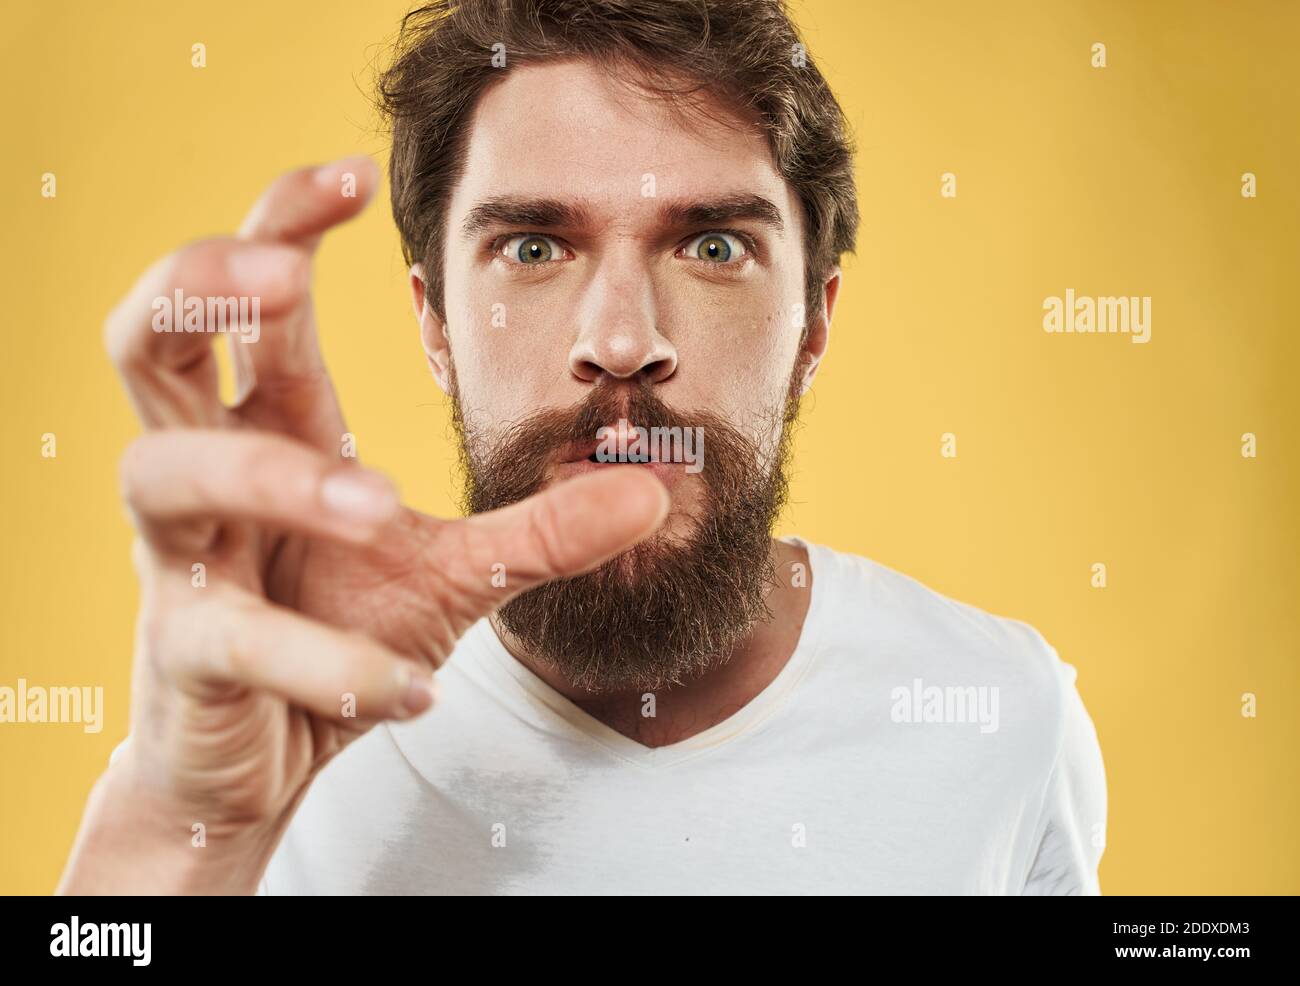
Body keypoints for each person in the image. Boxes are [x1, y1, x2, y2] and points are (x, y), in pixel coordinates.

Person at [58, 0, 1106, 895]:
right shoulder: (268, 735)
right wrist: (170, 828)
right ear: (436, 325)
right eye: (532, 247)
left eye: (711, 246)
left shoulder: (998, 716)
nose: (620, 341)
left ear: (812, 324)